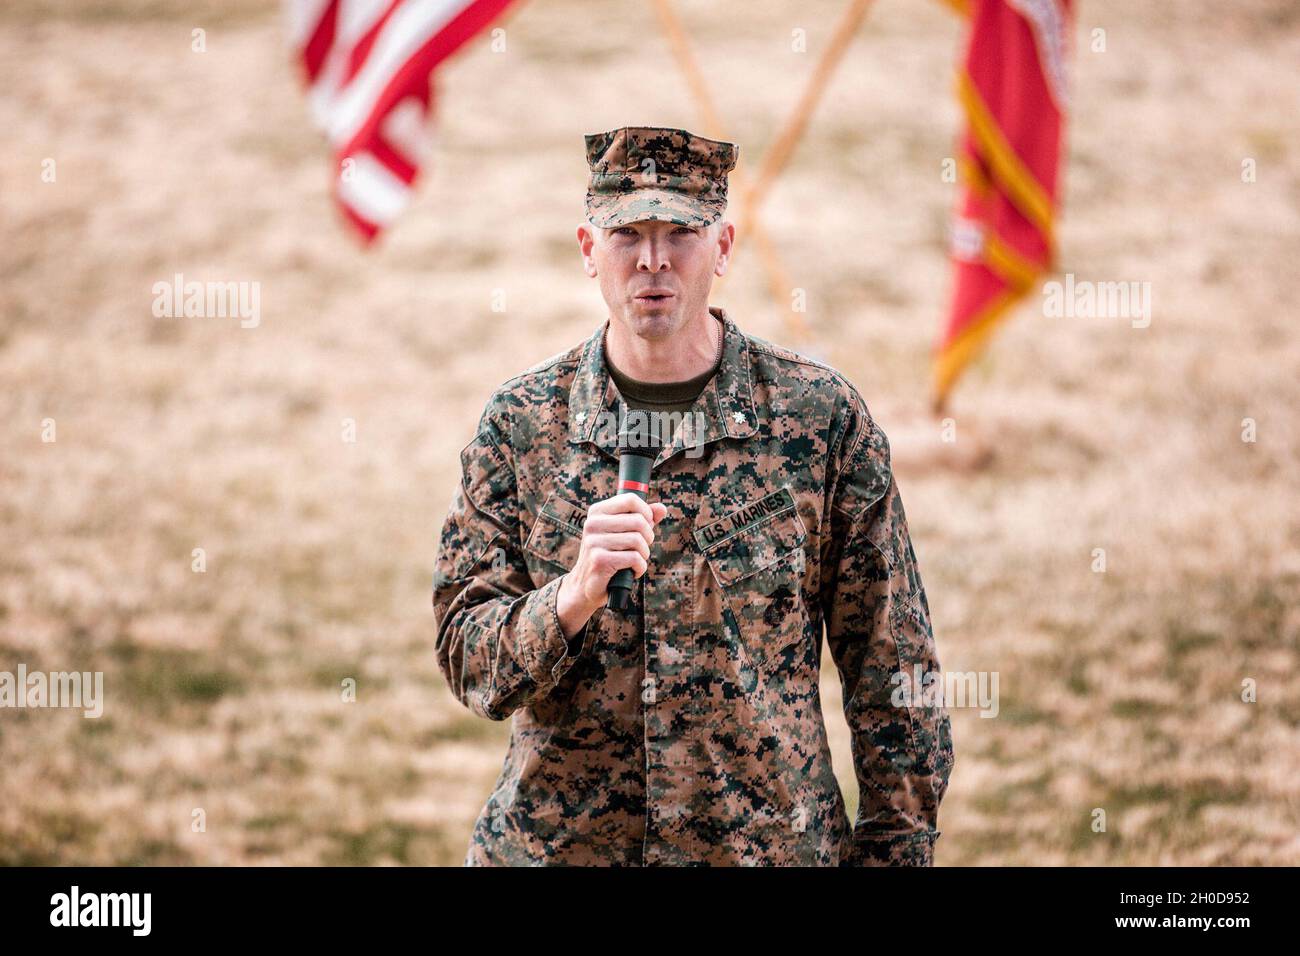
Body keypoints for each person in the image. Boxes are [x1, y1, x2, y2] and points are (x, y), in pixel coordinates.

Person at [432, 125, 954, 865]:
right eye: (627, 233)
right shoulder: (520, 426)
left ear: (725, 247)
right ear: (588, 249)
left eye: (680, 230)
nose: (653, 259)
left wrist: (897, 854)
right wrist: (570, 598)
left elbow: (895, 671)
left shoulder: (819, 419)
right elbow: (469, 662)